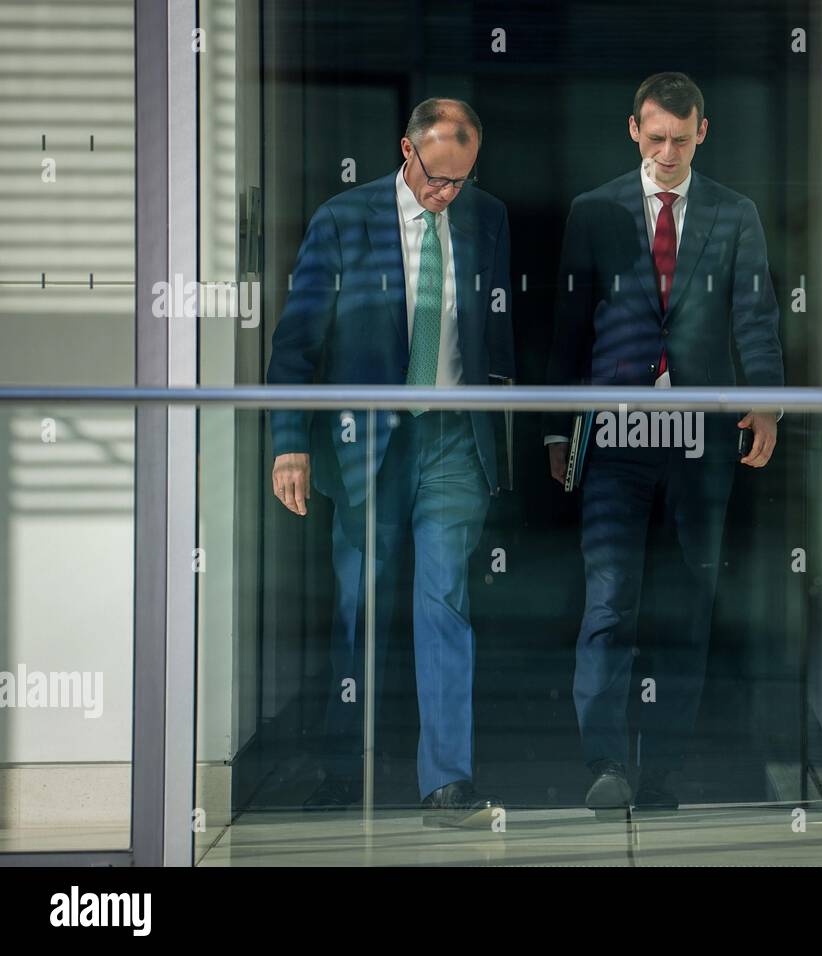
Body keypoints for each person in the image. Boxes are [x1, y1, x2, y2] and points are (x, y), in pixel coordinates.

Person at [266, 98, 513, 828]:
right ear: (406, 150)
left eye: (460, 182)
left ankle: (447, 785)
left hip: (452, 440)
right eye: (437, 179)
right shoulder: (344, 220)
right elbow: (296, 342)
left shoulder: (485, 216)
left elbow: (496, 332)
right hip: (365, 441)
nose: (446, 195)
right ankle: (345, 773)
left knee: (445, 605)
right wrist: (289, 440)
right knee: (358, 607)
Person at [545, 72, 784, 816]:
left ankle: (663, 773)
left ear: (702, 133)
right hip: (616, 427)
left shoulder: (735, 212)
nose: (669, 151)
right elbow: (570, 323)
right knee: (610, 598)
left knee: (689, 603)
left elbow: (755, 317)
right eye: (657, 139)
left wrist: (768, 408)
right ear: (634, 130)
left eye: (682, 139)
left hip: (701, 432)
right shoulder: (593, 210)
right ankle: (606, 762)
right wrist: (558, 424)